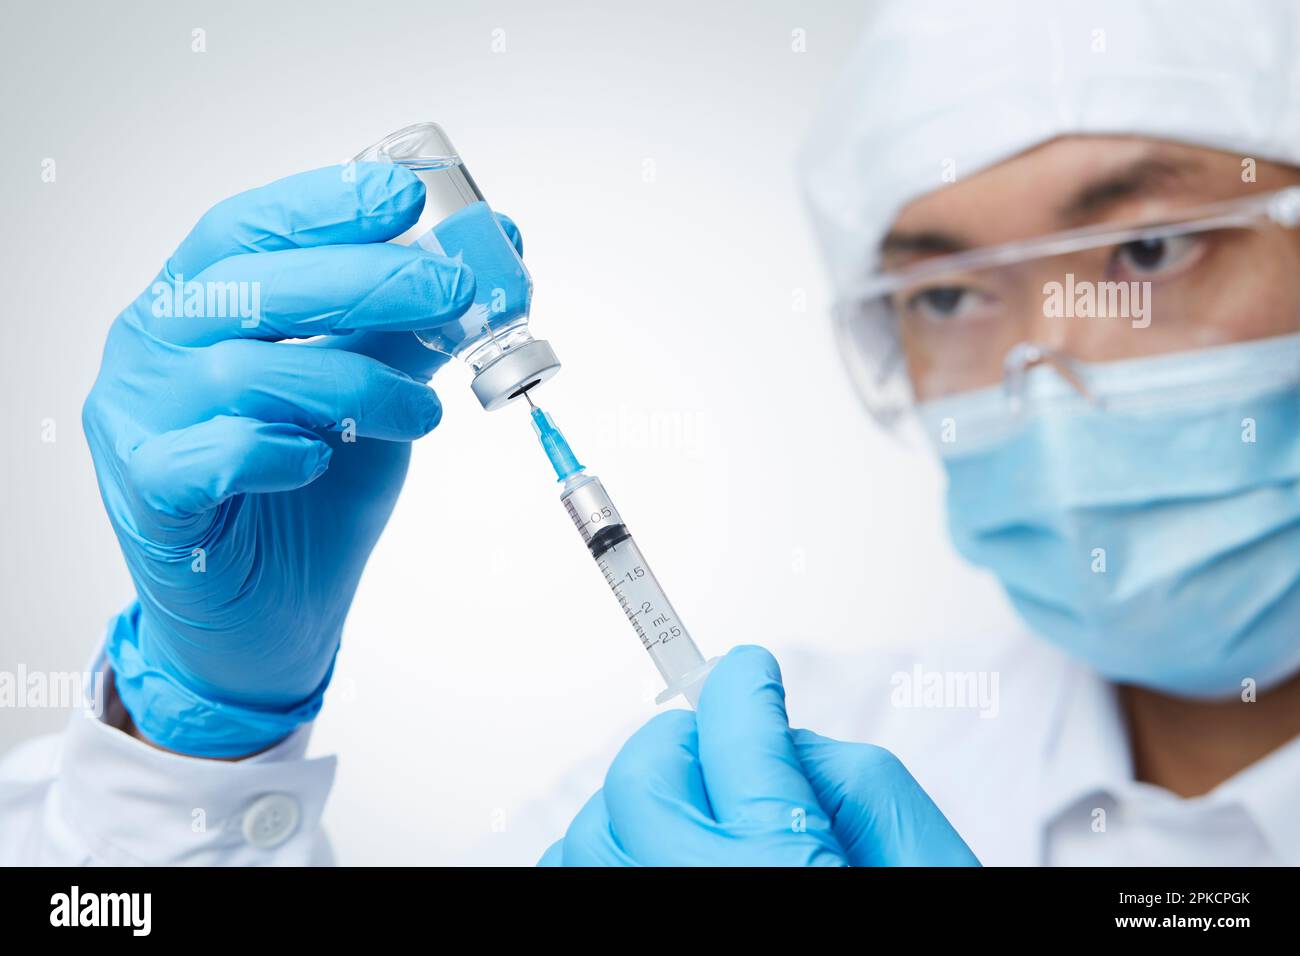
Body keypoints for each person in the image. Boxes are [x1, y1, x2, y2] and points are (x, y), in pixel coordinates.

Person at [2, 0, 1298, 866]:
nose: (1041, 366)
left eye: (1146, 248)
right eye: (947, 293)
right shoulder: (721, 788)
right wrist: (202, 740)